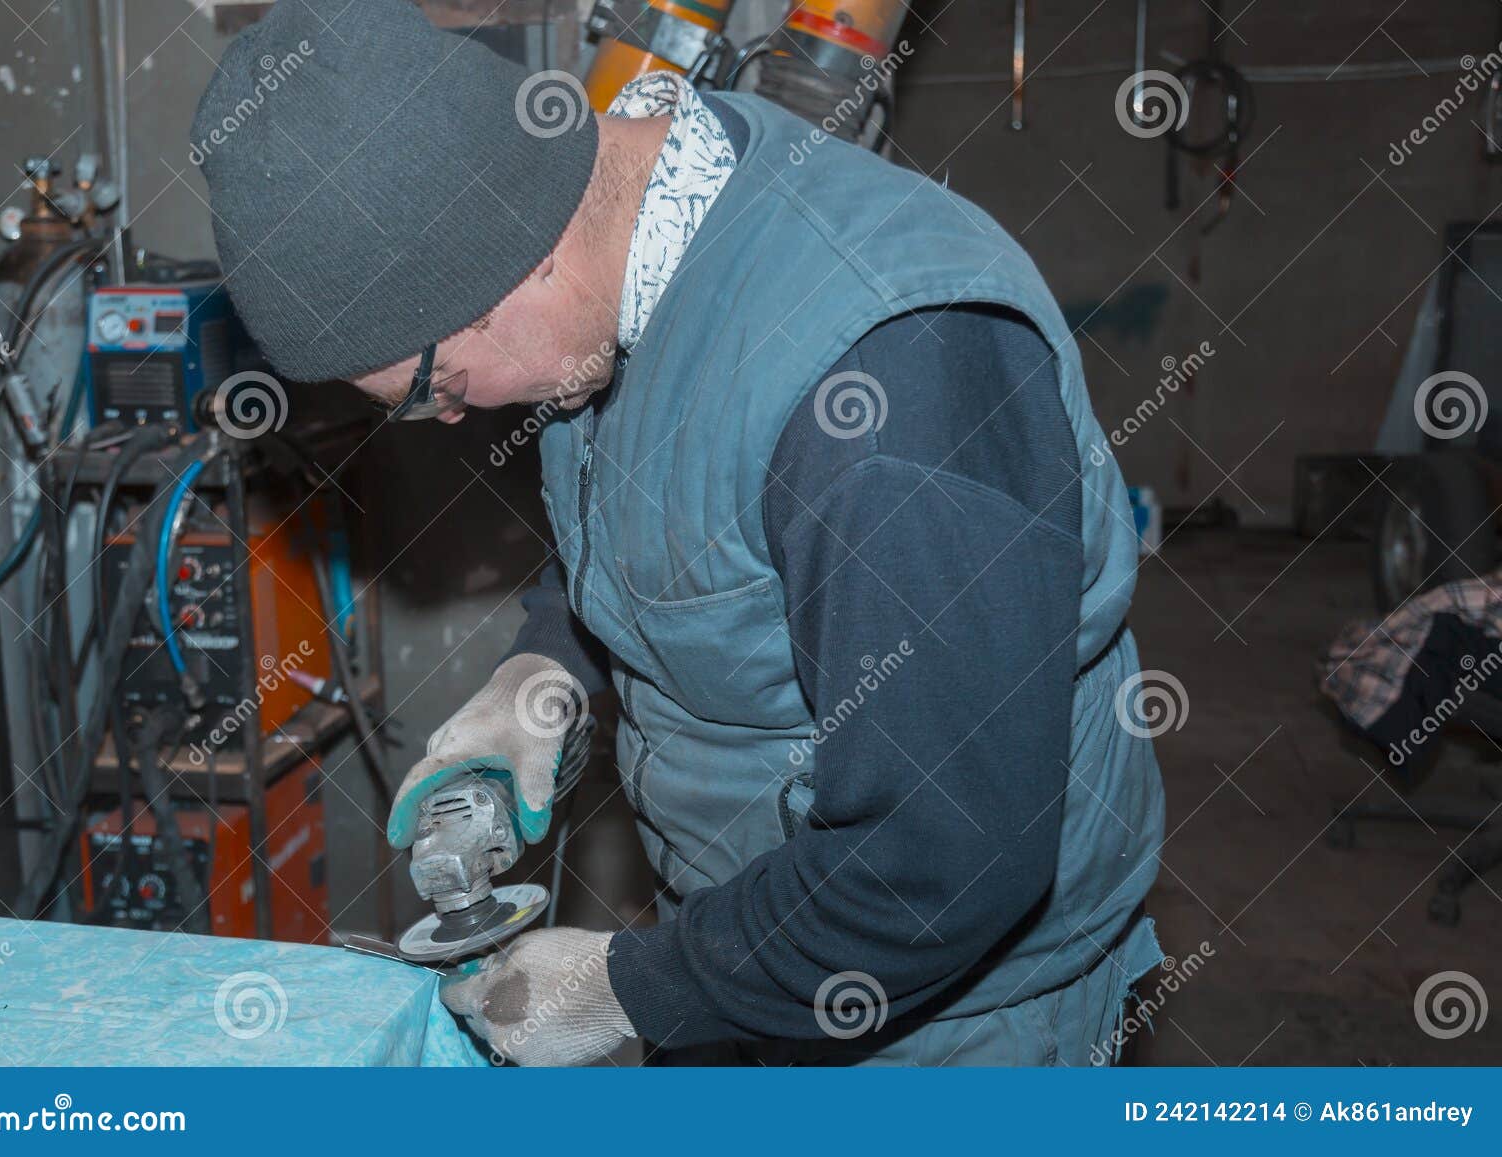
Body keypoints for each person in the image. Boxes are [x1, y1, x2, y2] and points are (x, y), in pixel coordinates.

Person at [193, 0, 1165, 1066]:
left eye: (435, 388)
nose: (456, 417)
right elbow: (676, 514)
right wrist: (540, 673)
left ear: (505, 265)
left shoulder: (889, 385)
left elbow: (940, 857)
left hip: (949, 1017)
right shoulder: (622, 266)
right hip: (758, 949)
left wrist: (632, 985)